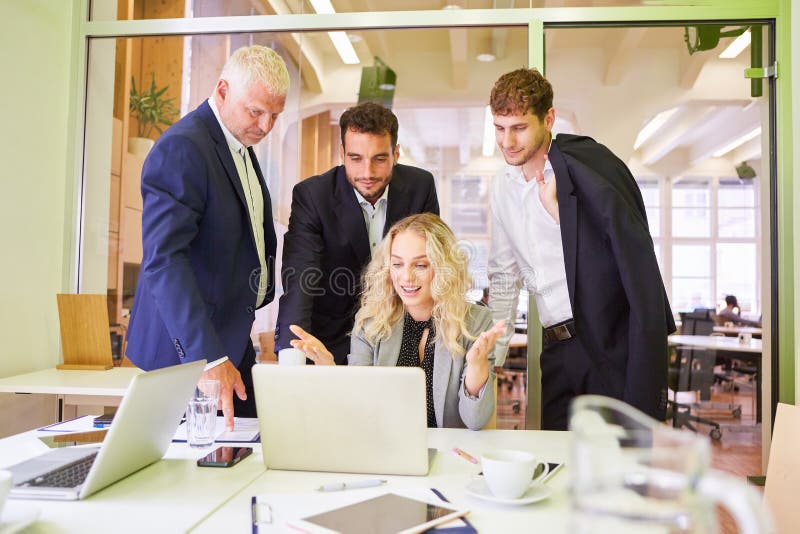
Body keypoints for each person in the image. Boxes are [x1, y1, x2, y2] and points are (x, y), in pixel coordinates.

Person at [486, 68, 675, 430]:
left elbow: (624, 257)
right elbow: (503, 273)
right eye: (499, 128)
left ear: (549, 119)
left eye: (519, 127)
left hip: (606, 342)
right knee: (558, 460)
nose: (507, 141)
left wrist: (560, 213)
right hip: (555, 348)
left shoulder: (588, 168)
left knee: (618, 460)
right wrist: (496, 351)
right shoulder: (502, 187)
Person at [125, 45, 289, 430]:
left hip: (229, 339)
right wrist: (207, 358)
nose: (266, 126)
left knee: (247, 455)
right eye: (256, 111)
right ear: (222, 90)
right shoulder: (184, 148)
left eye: (275, 116)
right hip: (187, 357)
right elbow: (164, 260)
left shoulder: (239, 147)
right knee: (184, 477)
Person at [290, 214, 505, 430]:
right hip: (385, 450)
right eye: (398, 264)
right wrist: (331, 371)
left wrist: (477, 367)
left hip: (447, 454)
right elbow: (359, 411)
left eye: (420, 265)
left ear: (444, 268)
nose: (406, 277)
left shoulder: (475, 321)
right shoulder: (371, 322)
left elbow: (475, 422)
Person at [274, 102, 439, 365]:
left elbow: (431, 266)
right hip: (331, 342)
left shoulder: (420, 187)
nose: (367, 173)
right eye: (355, 158)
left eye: (379, 159)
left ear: (396, 154)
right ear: (342, 153)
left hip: (402, 340)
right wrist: (292, 360)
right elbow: (300, 279)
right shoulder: (313, 196)